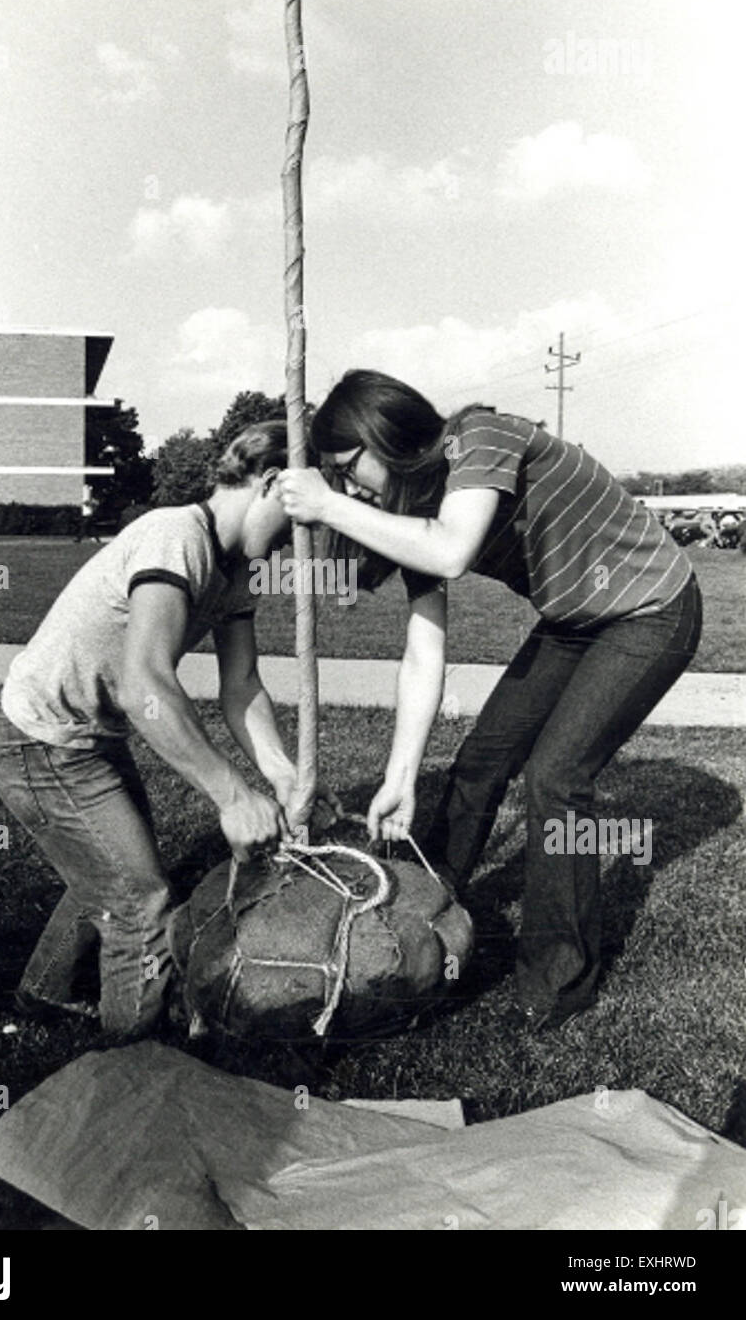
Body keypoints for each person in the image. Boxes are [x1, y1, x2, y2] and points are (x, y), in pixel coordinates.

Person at [277, 369, 702, 1032]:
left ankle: (559, 979)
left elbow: (450, 553)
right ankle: (418, 909)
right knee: (480, 760)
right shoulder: (412, 515)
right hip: (571, 619)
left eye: (345, 465)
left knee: (557, 775)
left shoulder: (481, 436)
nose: (345, 484)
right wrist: (398, 778)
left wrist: (325, 506)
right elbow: (424, 649)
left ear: (380, 435)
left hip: (651, 612)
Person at [0, 421, 330, 1041]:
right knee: (140, 904)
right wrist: (231, 795)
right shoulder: (177, 537)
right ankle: (134, 1071)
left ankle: (41, 997)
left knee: (111, 871)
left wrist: (279, 773)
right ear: (273, 482)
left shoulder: (234, 570)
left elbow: (242, 683)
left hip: (87, 739)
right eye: (300, 516)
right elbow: (145, 684)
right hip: (40, 741)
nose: (299, 538)